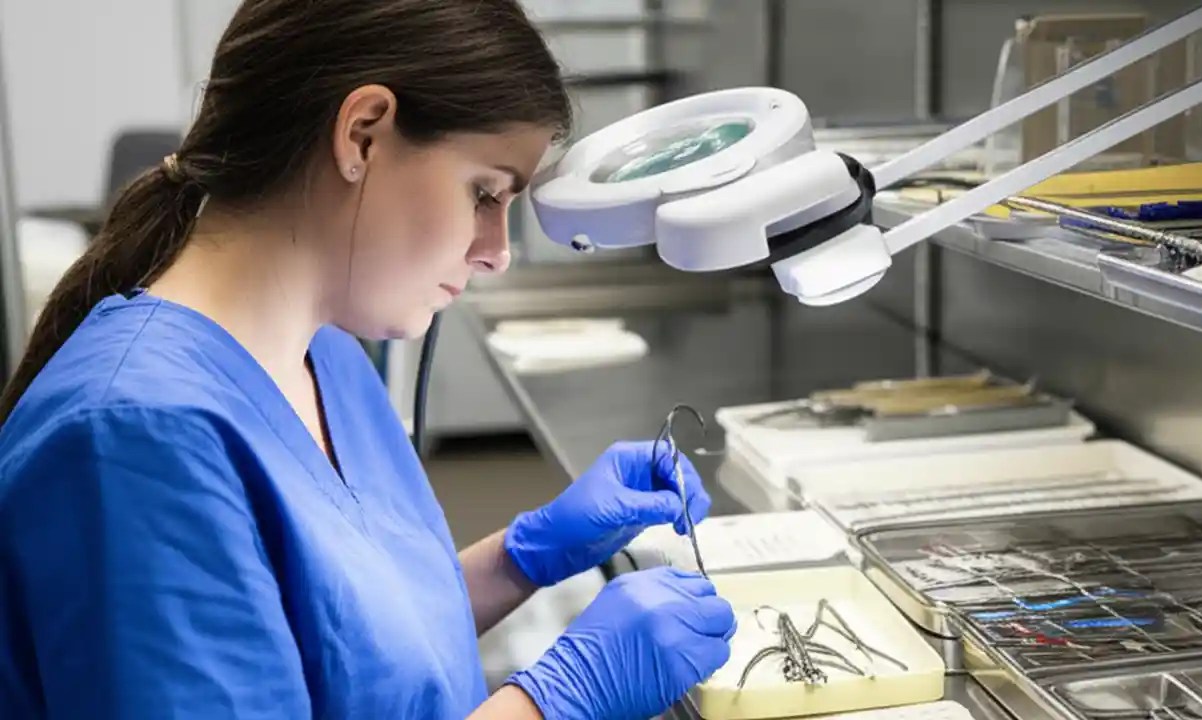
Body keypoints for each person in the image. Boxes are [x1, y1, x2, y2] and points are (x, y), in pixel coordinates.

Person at [0, 1, 736, 718]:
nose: (497, 252)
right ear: (362, 134)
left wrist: (527, 555)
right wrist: (557, 701)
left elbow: (350, 661)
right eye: (484, 192)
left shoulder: (328, 358)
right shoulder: (135, 443)